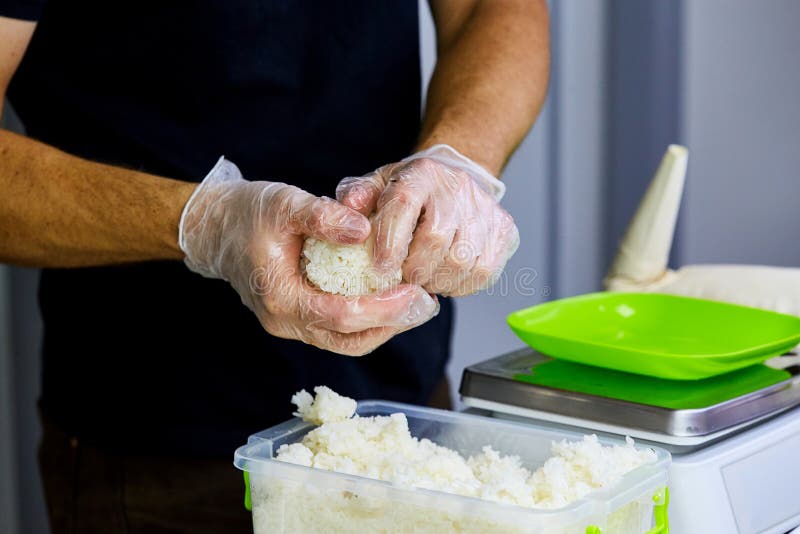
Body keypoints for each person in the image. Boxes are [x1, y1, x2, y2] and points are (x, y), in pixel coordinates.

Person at [0, 1, 549, 532]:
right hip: (156, 448)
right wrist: (206, 222)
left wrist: (461, 160)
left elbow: (489, 7)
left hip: (400, 422)